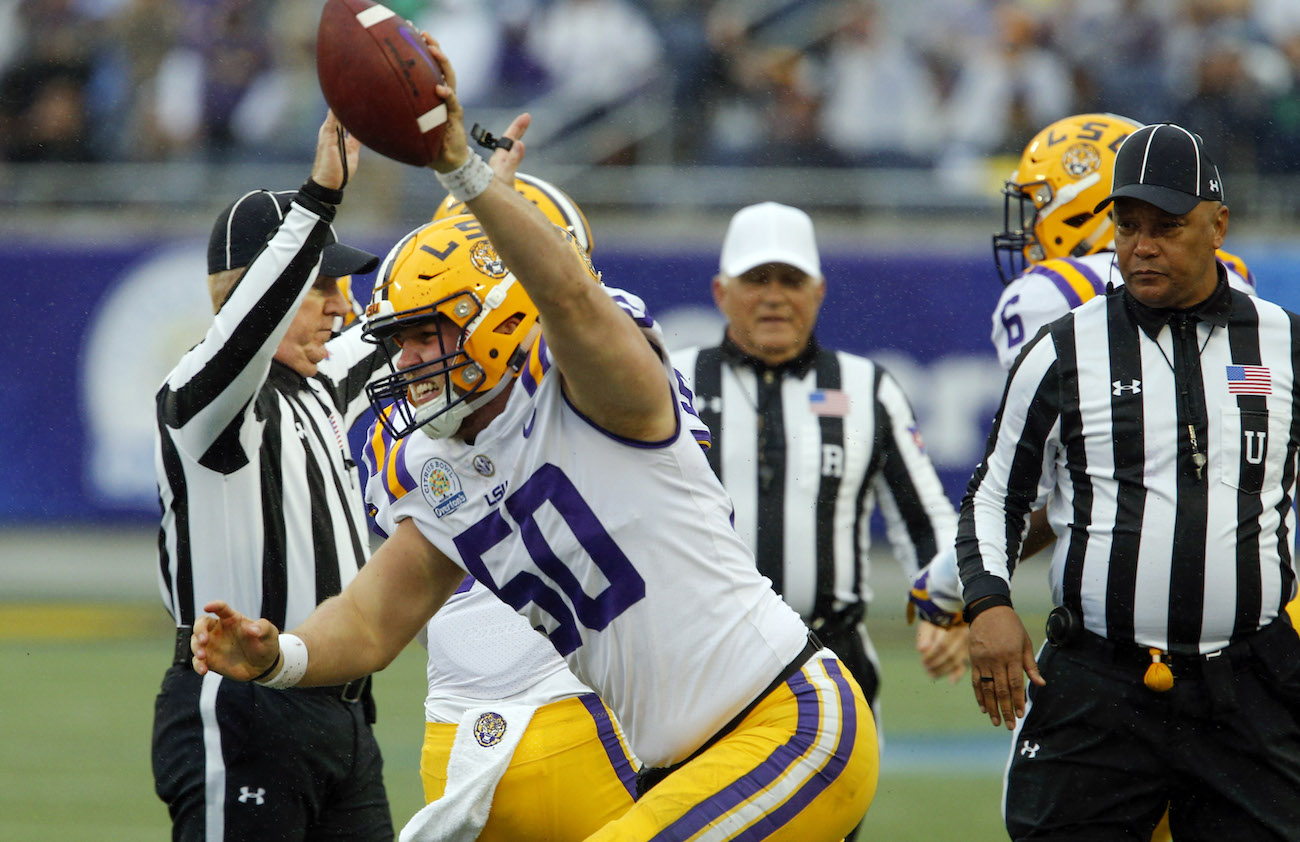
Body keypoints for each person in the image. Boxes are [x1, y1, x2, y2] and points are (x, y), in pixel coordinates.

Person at [190, 35, 877, 842]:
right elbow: (375, 621)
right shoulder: (447, 462)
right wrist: (280, 658)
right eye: (400, 338)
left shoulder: (604, 399)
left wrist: (463, 168)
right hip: (676, 763)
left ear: (499, 325)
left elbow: (571, 298)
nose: (404, 360)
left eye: (425, 336)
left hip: (783, 721)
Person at [957, 122, 1300, 839]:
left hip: (1250, 683)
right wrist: (987, 602)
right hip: (1096, 684)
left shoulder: (1284, 343)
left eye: (1167, 226)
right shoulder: (1065, 348)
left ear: (1218, 224)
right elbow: (997, 494)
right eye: (1127, 224)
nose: (1142, 245)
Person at [152, 111, 395, 840]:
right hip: (245, 704)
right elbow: (246, 330)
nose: (342, 306)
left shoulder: (317, 385)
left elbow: (411, 312)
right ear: (268, 286)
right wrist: (318, 196)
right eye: (323, 288)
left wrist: (475, 191)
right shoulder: (203, 402)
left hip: (344, 713)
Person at [378, 172, 639, 842]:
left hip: (587, 698)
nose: (409, 355)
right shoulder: (414, 434)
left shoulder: (607, 355)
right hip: (458, 717)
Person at [671, 200, 968, 714]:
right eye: (756, 280)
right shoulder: (671, 383)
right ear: (722, 292)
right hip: (697, 656)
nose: (773, 298)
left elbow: (923, 519)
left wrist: (951, 604)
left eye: (790, 280)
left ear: (819, 291)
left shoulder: (865, 389)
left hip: (831, 655)